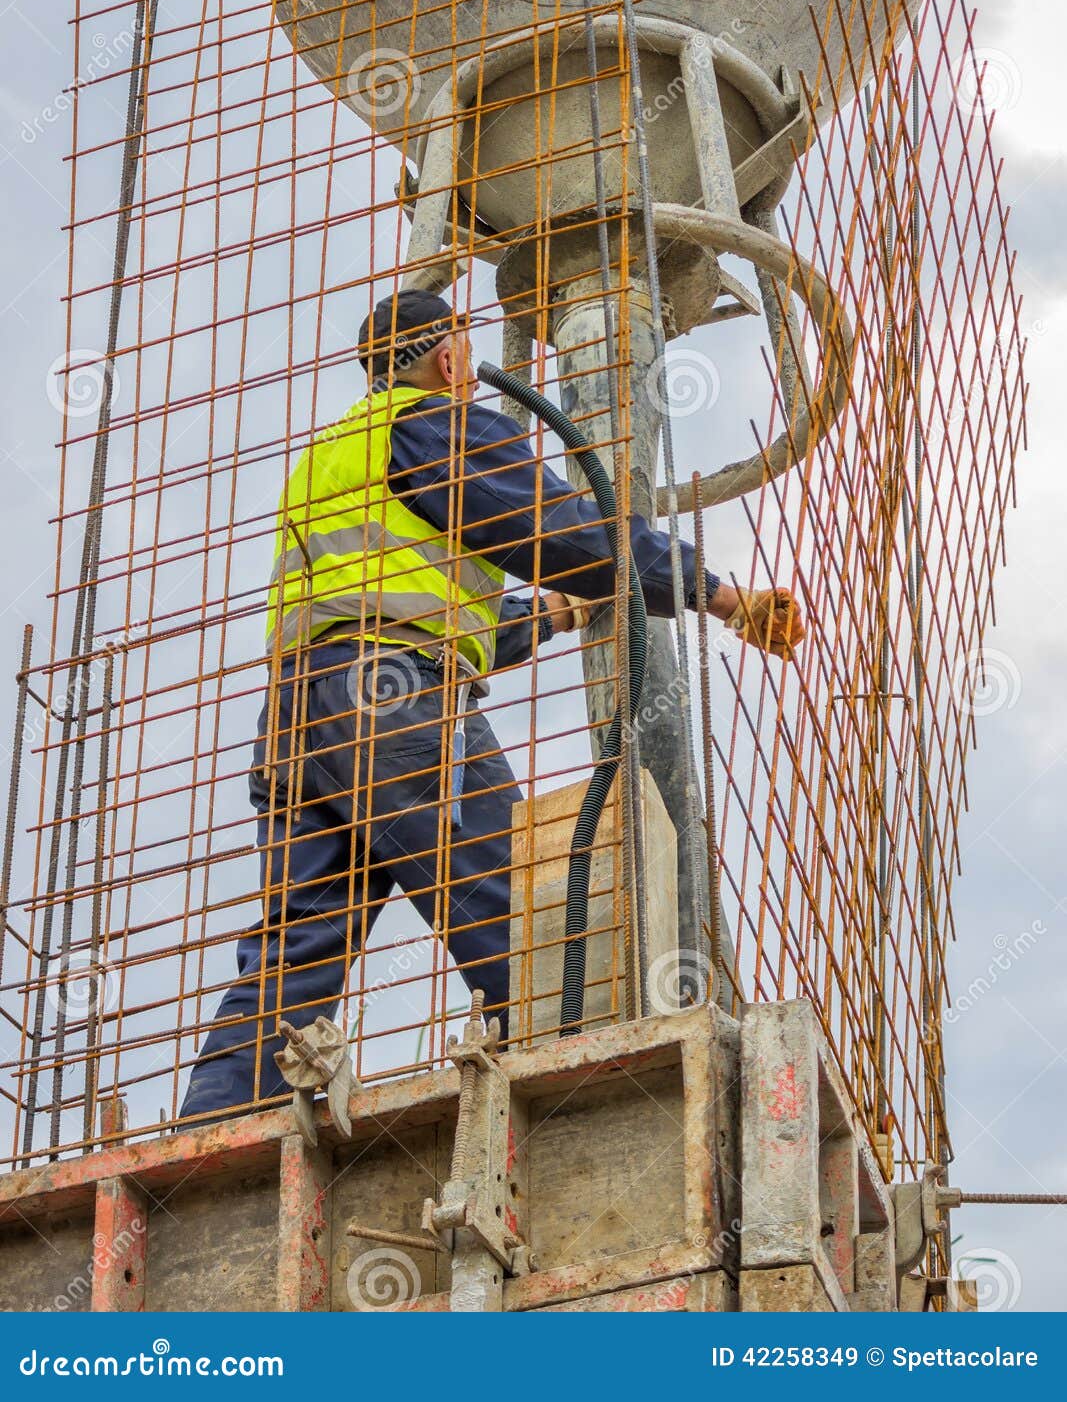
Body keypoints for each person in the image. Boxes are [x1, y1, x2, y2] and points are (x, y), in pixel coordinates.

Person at [179, 291, 803, 1118]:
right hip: (392, 703)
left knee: (292, 953)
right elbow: (563, 531)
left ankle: (210, 1138)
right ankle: (590, 1115)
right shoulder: (441, 423)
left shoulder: (337, 454)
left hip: (301, 718)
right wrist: (716, 593)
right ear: (449, 358)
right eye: (466, 346)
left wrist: (558, 612)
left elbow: (410, 602)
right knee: (525, 917)